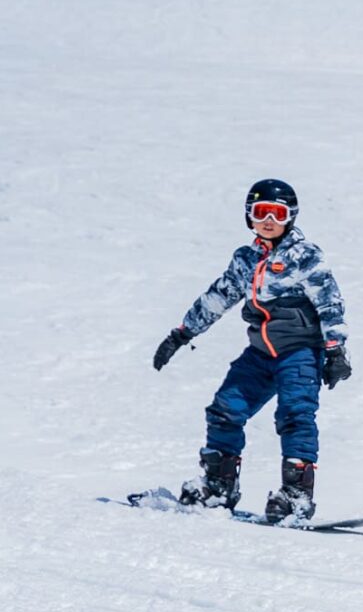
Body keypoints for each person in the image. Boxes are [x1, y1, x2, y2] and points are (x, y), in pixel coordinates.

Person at [151, 179, 352, 524]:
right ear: (249, 216)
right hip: (260, 354)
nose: (269, 220)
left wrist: (335, 351)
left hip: (299, 352)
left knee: (295, 416)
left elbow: (329, 302)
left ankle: (296, 497)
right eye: (261, 213)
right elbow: (219, 296)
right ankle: (218, 486)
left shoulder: (303, 257)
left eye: (277, 213)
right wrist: (182, 333)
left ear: (290, 217)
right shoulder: (246, 259)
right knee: (225, 409)